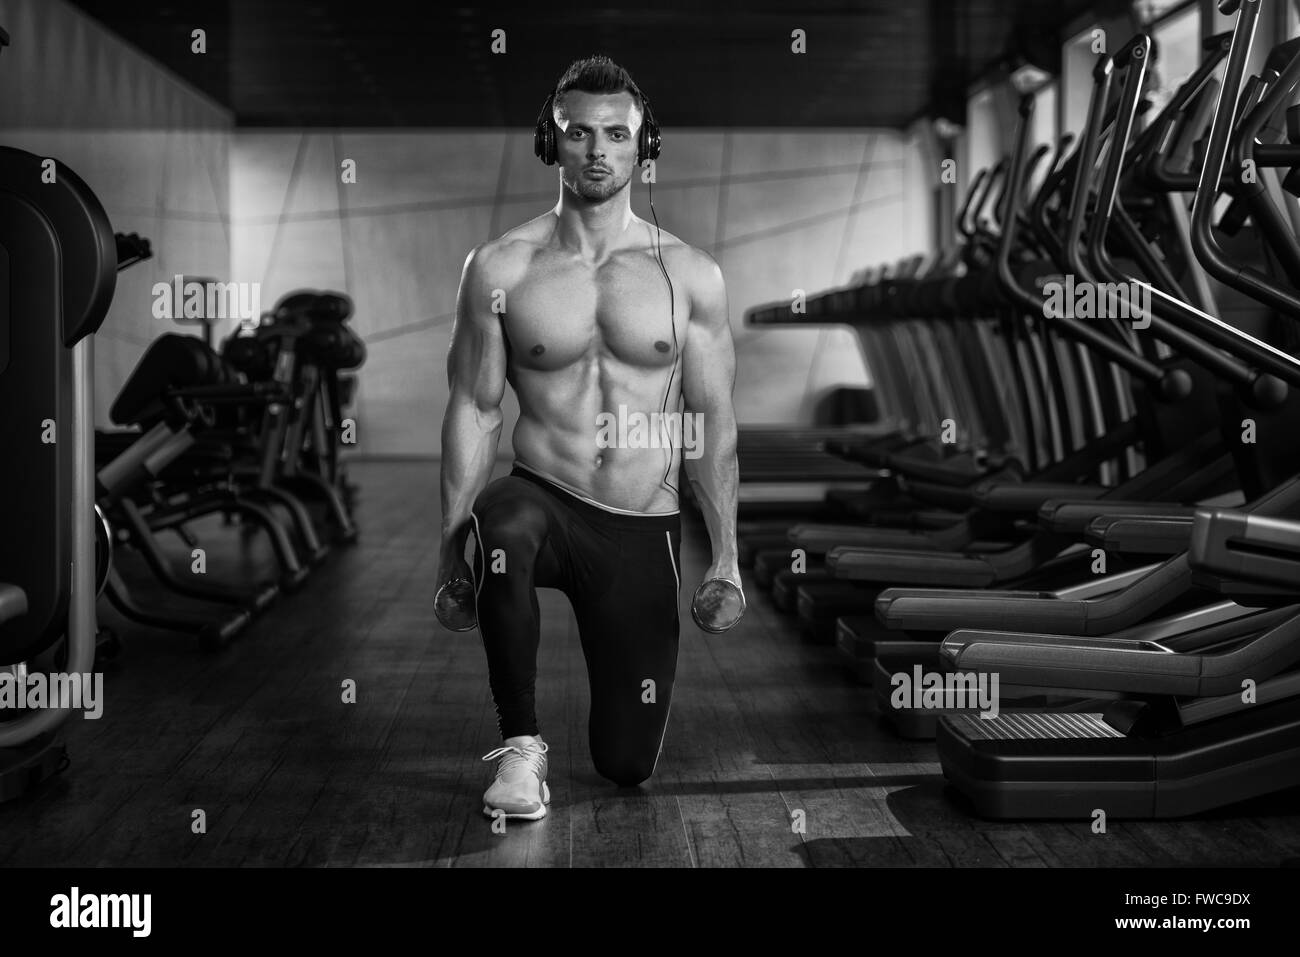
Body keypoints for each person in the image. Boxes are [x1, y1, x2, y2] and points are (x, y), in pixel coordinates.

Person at [436, 55, 741, 821]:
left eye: (616, 133)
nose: (597, 150)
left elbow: (711, 424)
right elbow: (476, 409)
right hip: (542, 494)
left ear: (645, 146)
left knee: (626, 765)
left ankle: (608, 733)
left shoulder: (692, 275)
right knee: (504, 525)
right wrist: (451, 545)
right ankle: (521, 747)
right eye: (578, 133)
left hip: (640, 524)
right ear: (552, 142)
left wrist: (727, 554)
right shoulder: (501, 266)